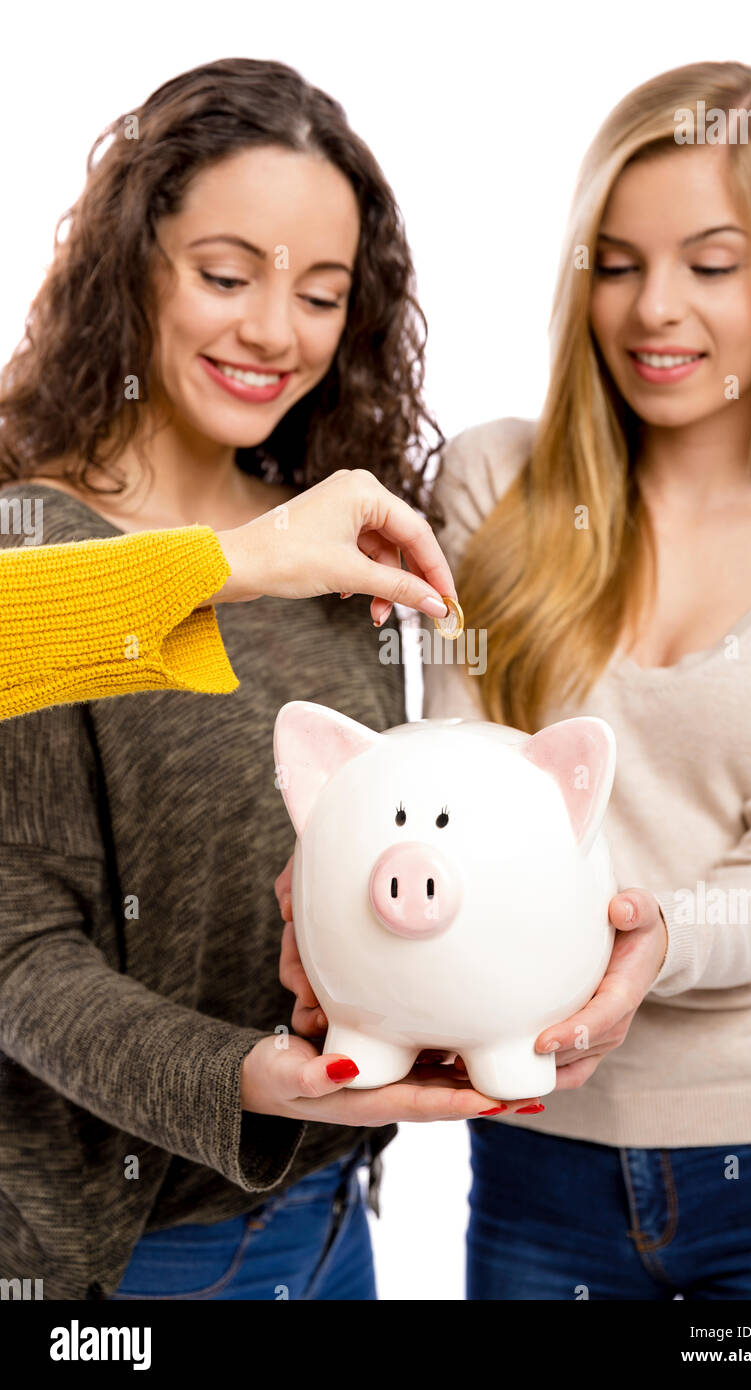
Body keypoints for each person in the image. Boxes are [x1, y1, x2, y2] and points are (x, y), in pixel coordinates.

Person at [288, 59, 751, 1299]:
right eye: (615, 261)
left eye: (711, 264)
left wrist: (644, 941)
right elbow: (455, 777)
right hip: (536, 1145)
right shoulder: (495, 486)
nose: (654, 308)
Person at [0, 57, 535, 1303]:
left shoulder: (331, 548)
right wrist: (240, 1077)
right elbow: (18, 953)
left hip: (333, 1219)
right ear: (133, 262)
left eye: (321, 293)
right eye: (227, 274)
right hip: (130, 1263)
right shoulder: (34, 549)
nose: (272, 331)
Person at [0, 473, 456, 720]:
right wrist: (235, 558)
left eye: (319, 300)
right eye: (226, 289)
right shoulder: (36, 523)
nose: (271, 336)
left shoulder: (349, 549)